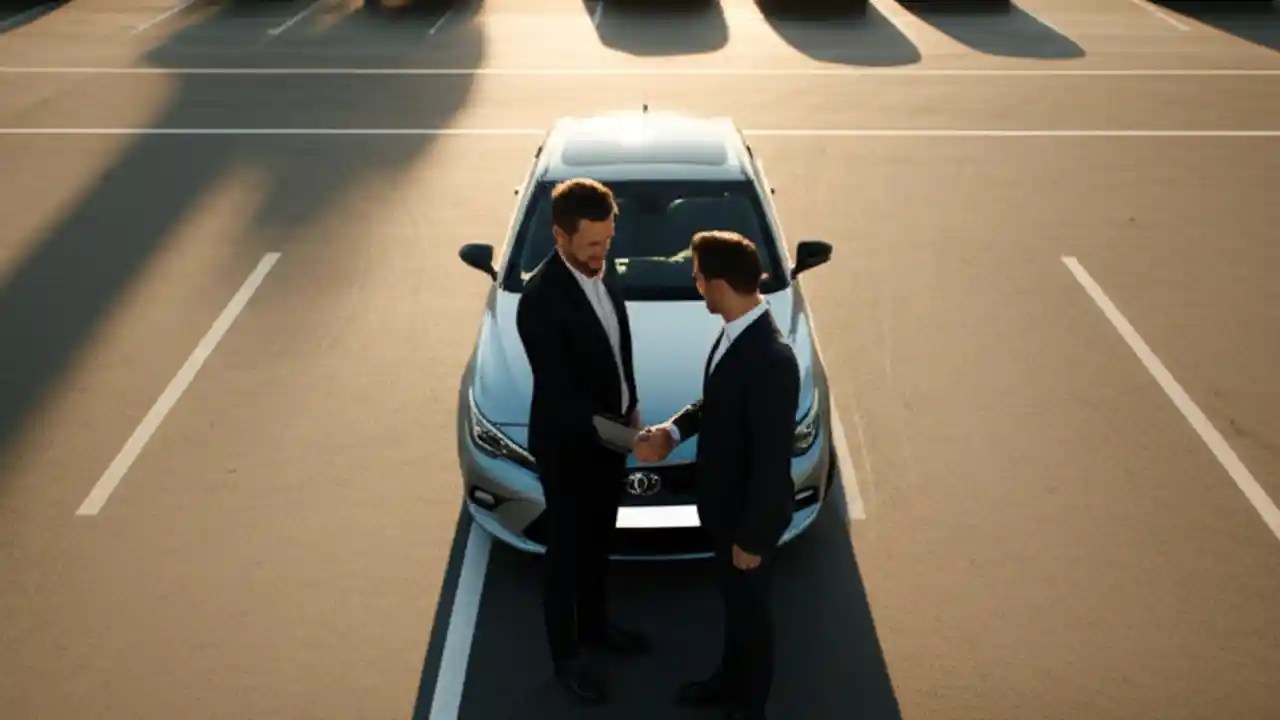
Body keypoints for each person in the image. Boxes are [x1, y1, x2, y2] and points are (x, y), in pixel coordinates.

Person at [635, 230, 800, 720]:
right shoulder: (737, 331)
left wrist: (752, 536)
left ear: (720, 284)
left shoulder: (771, 360)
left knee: (753, 616)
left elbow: (771, 461)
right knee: (736, 609)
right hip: (725, 510)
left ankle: (750, 708)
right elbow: (718, 401)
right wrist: (673, 430)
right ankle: (728, 681)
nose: (695, 283)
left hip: (747, 519)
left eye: (698, 276)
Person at [515, 177, 651, 705]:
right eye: (593, 243)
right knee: (566, 557)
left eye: (608, 239)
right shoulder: (539, 301)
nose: (603, 252)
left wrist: (631, 401)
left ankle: (597, 629)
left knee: (598, 543)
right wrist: (631, 439)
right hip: (569, 449)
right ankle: (567, 659)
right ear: (560, 236)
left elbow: (618, 345)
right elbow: (563, 398)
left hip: (609, 438)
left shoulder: (602, 270)